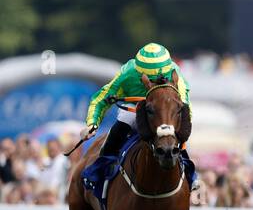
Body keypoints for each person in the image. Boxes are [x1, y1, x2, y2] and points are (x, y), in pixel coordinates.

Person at [80, 42, 197, 196]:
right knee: (115, 135)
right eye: (150, 78)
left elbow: (185, 105)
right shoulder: (128, 73)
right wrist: (92, 124)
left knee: (176, 138)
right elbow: (100, 98)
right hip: (134, 109)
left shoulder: (175, 73)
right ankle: (98, 173)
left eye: (159, 78)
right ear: (140, 73)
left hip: (164, 112)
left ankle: (191, 175)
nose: (156, 81)